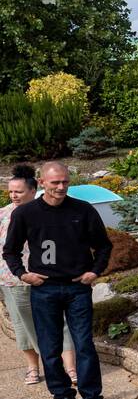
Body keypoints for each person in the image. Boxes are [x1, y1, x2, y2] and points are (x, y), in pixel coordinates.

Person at [2, 161, 112, 399]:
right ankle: (63, 396)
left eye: (65, 182)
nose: (61, 187)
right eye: (55, 182)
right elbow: (10, 251)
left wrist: (95, 271)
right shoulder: (25, 214)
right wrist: (22, 274)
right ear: (42, 183)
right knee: (50, 348)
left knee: (84, 345)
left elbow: (104, 246)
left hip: (77, 288)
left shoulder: (83, 210)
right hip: (44, 289)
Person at [0, 166, 77, 387]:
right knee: (23, 325)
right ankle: (34, 367)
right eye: (11, 191)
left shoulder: (46, 212)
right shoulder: (3, 215)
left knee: (59, 323)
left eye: (19, 191)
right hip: (13, 279)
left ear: (34, 190)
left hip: (46, 277)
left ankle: (70, 369)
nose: (14, 195)